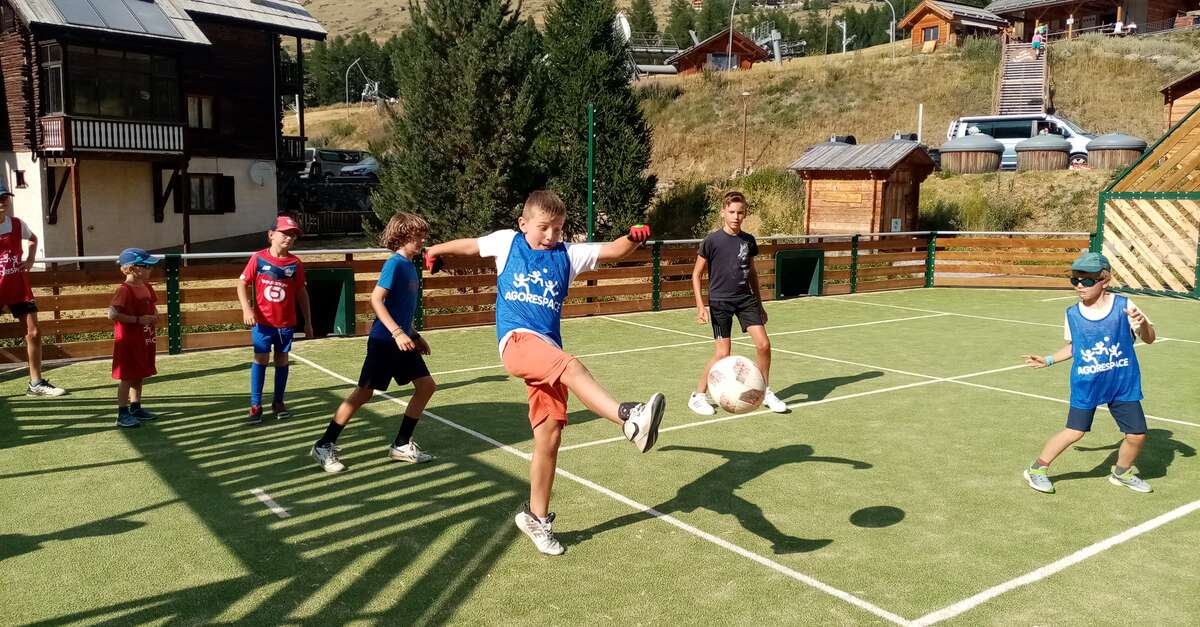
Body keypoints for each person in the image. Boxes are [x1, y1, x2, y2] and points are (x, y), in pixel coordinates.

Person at [423, 190, 665, 556]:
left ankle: (536, 517)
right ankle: (628, 417)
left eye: (558, 228)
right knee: (571, 365)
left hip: (546, 349)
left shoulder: (567, 255)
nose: (551, 235)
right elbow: (471, 246)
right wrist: (437, 250)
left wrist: (632, 239)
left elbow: (615, 251)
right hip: (517, 341)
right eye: (544, 228)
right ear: (523, 224)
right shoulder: (508, 243)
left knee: (549, 439)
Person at [309, 212, 437, 472]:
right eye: (417, 235)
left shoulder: (410, 266)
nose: (423, 239)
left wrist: (413, 334)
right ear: (402, 236)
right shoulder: (395, 264)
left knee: (426, 386)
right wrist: (398, 333)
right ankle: (324, 444)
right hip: (384, 342)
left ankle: (401, 444)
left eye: (424, 234)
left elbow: (400, 309)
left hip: (402, 341)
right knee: (364, 393)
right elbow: (376, 300)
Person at [1022, 252, 1157, 494]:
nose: (1079, 287)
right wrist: (1049, 359)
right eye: (1075, 281)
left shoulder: (1125, 306)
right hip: (1087, 382)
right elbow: (1075, 347)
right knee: (1075, 431)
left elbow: (1149, 339)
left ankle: (1122, 472)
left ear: (1105, 280)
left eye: (1086, 281)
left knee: (1136, 434)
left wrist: (1144, 325)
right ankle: (1037, 469)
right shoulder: (1072, 313)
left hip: (1121, 382)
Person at [688, 191, 787, 416]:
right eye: (731, 212)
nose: (735, 216)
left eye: (740, 212)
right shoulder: (711, 241)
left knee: (763, 345)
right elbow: (696, 275)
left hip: (746, 300)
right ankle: (698, 396)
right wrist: (701, 306)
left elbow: (752, 273)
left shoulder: (749, 241)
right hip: (720, 302)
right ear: (723, 212)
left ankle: (764, 391)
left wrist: (760, 305)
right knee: (722, 354)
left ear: (745, 214)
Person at [236, 215, 313, 425]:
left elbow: (301, 292)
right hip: (262, 323)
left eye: (293, 235)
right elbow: (241, 284)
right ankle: (255, 405)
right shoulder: (258, 258)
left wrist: (308, 322)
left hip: (286, 324)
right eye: (285, 233)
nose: (289, 238)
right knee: (260, 359)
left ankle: (278, 402)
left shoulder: (295, 263)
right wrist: (247, 309)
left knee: (282, 360)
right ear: (271, 235)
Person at [0, 182, 65, 397]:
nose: (2, 201)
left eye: (4, 197)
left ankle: (36, 383)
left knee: (34, 332)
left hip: (18, 287)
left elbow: (33, 239)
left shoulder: (17, 224)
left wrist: (29, 259)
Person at [108, 248, 161, 428]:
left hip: (145, 338)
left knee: (140, 373)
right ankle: (122, 413)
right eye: (146, 266)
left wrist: (154, 314)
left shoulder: (147, 287)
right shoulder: (124, 290)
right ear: (132, 269)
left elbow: (152, 306)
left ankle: (136, 407)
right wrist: (138, 320)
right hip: (129, 341)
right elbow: (113, 314)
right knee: (128, 376)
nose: (150, 270)